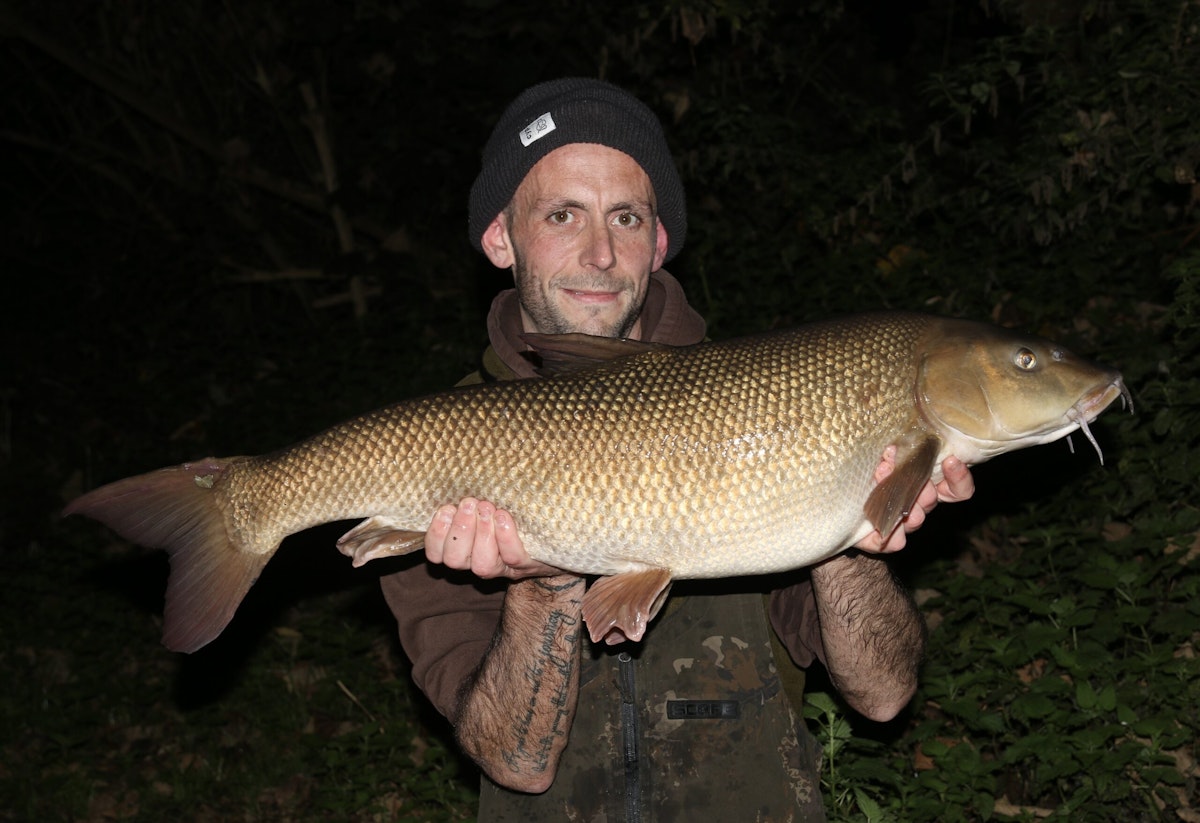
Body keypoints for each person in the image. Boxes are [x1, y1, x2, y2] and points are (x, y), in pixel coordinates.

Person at [379, 77, 975, 821]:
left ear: (658, 243)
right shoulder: (433, 448)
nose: (600, 253)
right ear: (501, 237)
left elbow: (883, 696)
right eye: (563, 214)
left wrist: (853, 525)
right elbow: (515, 763)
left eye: (625, 217)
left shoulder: (777, 399)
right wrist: (545, 581)